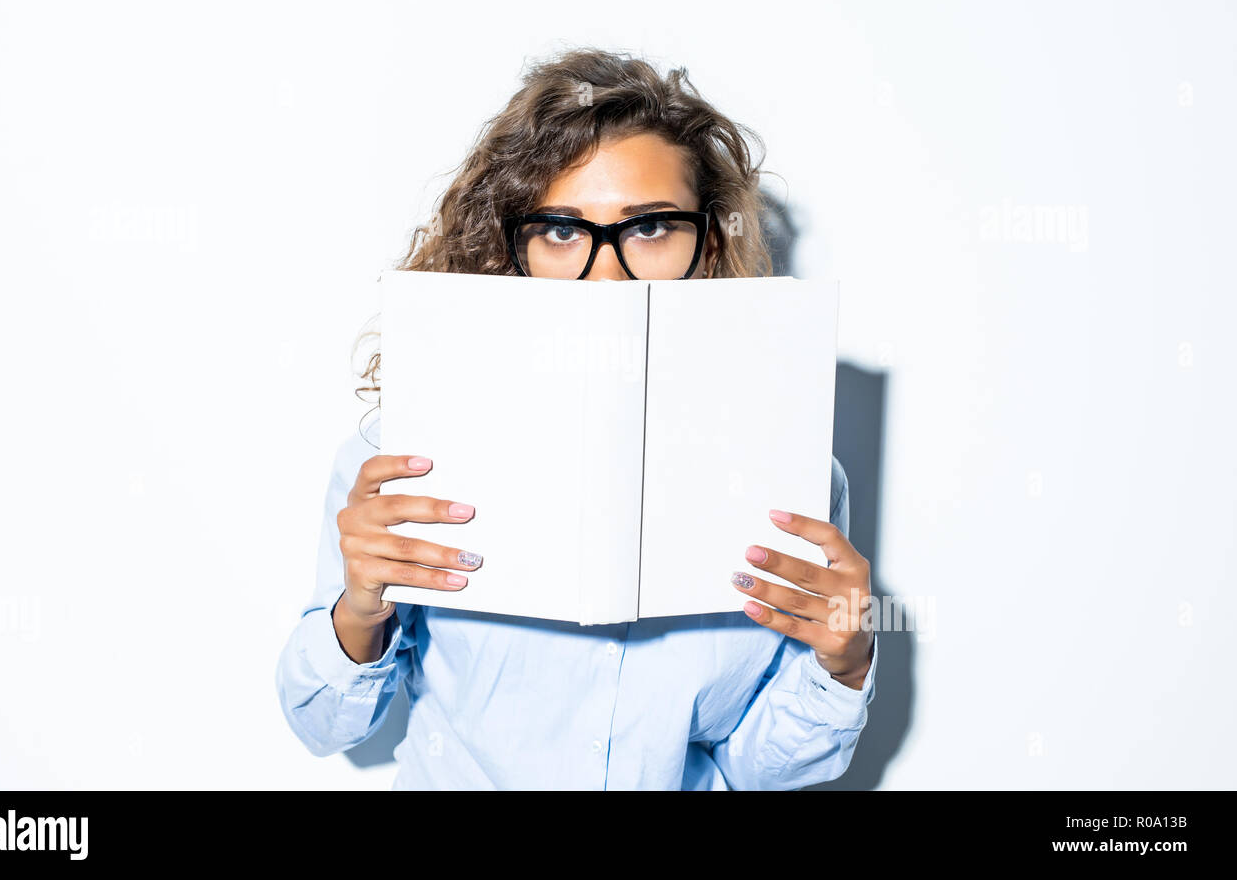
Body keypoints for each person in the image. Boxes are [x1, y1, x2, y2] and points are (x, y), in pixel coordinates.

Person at [275, 47, 878, 789]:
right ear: (513, 246)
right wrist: (360, 610)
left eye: (651, 228)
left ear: (710, 241)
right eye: (562, 230)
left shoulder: (794, 474)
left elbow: (762, 769)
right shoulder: (405, 453)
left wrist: (843, 664)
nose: (607, 273)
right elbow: (322, 726)